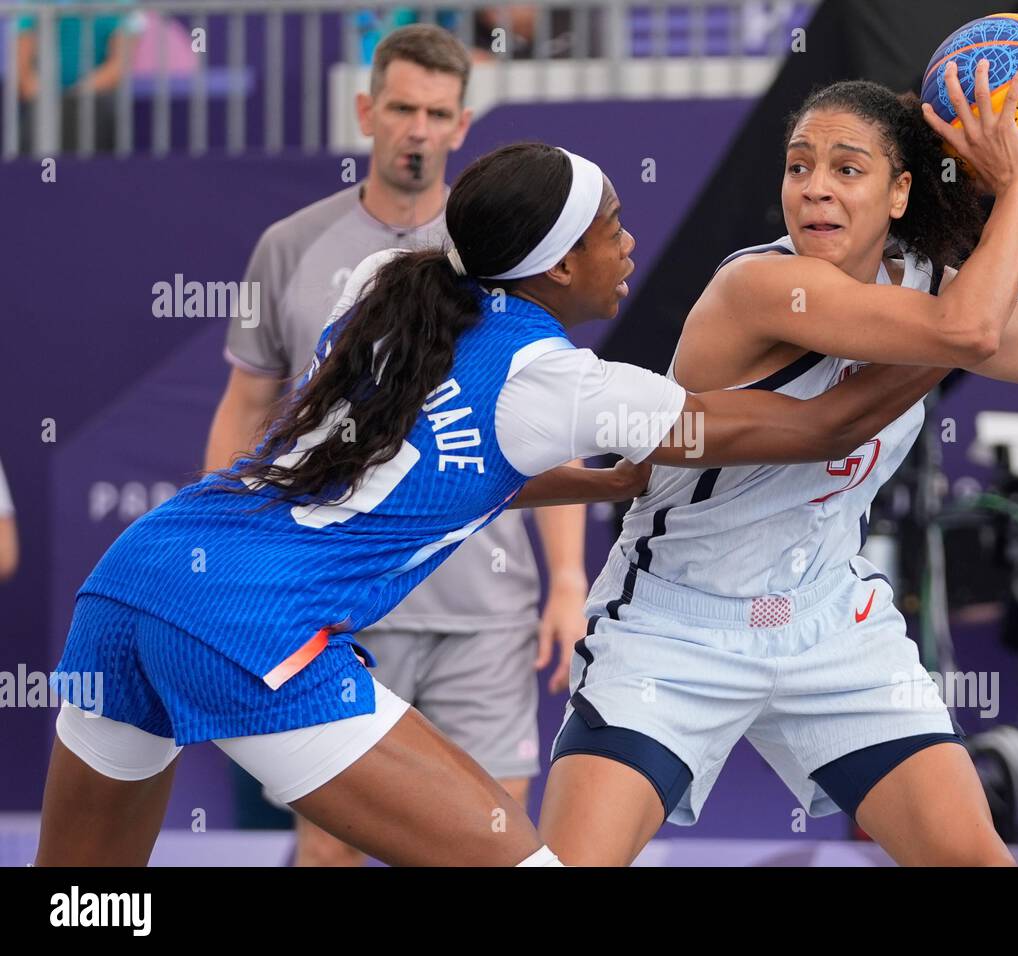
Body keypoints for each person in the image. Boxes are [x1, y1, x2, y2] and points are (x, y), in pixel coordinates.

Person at [36, 141, 955, 867]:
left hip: (134, 577)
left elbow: (418, 459)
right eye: (612, 228)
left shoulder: (385, 290)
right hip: (252, 624)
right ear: (558, 269)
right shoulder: (567, 385)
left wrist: (594, 483)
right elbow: (821, 430)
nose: (629, 243)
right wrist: (962, 332)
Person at [538, 62, 1018, 866]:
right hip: (678, 624)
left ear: (900, 194)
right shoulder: (761, 287)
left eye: (848, 168)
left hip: (829, 621)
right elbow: (968, 334)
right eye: (799, 165)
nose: (815, 186)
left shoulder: (930, 289)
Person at [206, 23, 586, 866]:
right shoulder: (289, 246)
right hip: (334, 604)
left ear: (462, 124)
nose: (418, 129)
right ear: (365, 112)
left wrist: (566, 579)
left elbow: (547, 424)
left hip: (485, 613)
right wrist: (223, 557)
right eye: (403, 108)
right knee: (330, 850)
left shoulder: (505, 255)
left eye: (438, 112)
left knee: (495, 843)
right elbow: (243, 410)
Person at [15, 0, 144, 154]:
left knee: (85, 114)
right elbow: (23, 72)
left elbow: (118, 67)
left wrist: (74, 95)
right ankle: (44, 176)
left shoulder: (123, 5)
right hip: (42, 104)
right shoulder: (33, 4)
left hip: (96, 103)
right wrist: (46, 96)